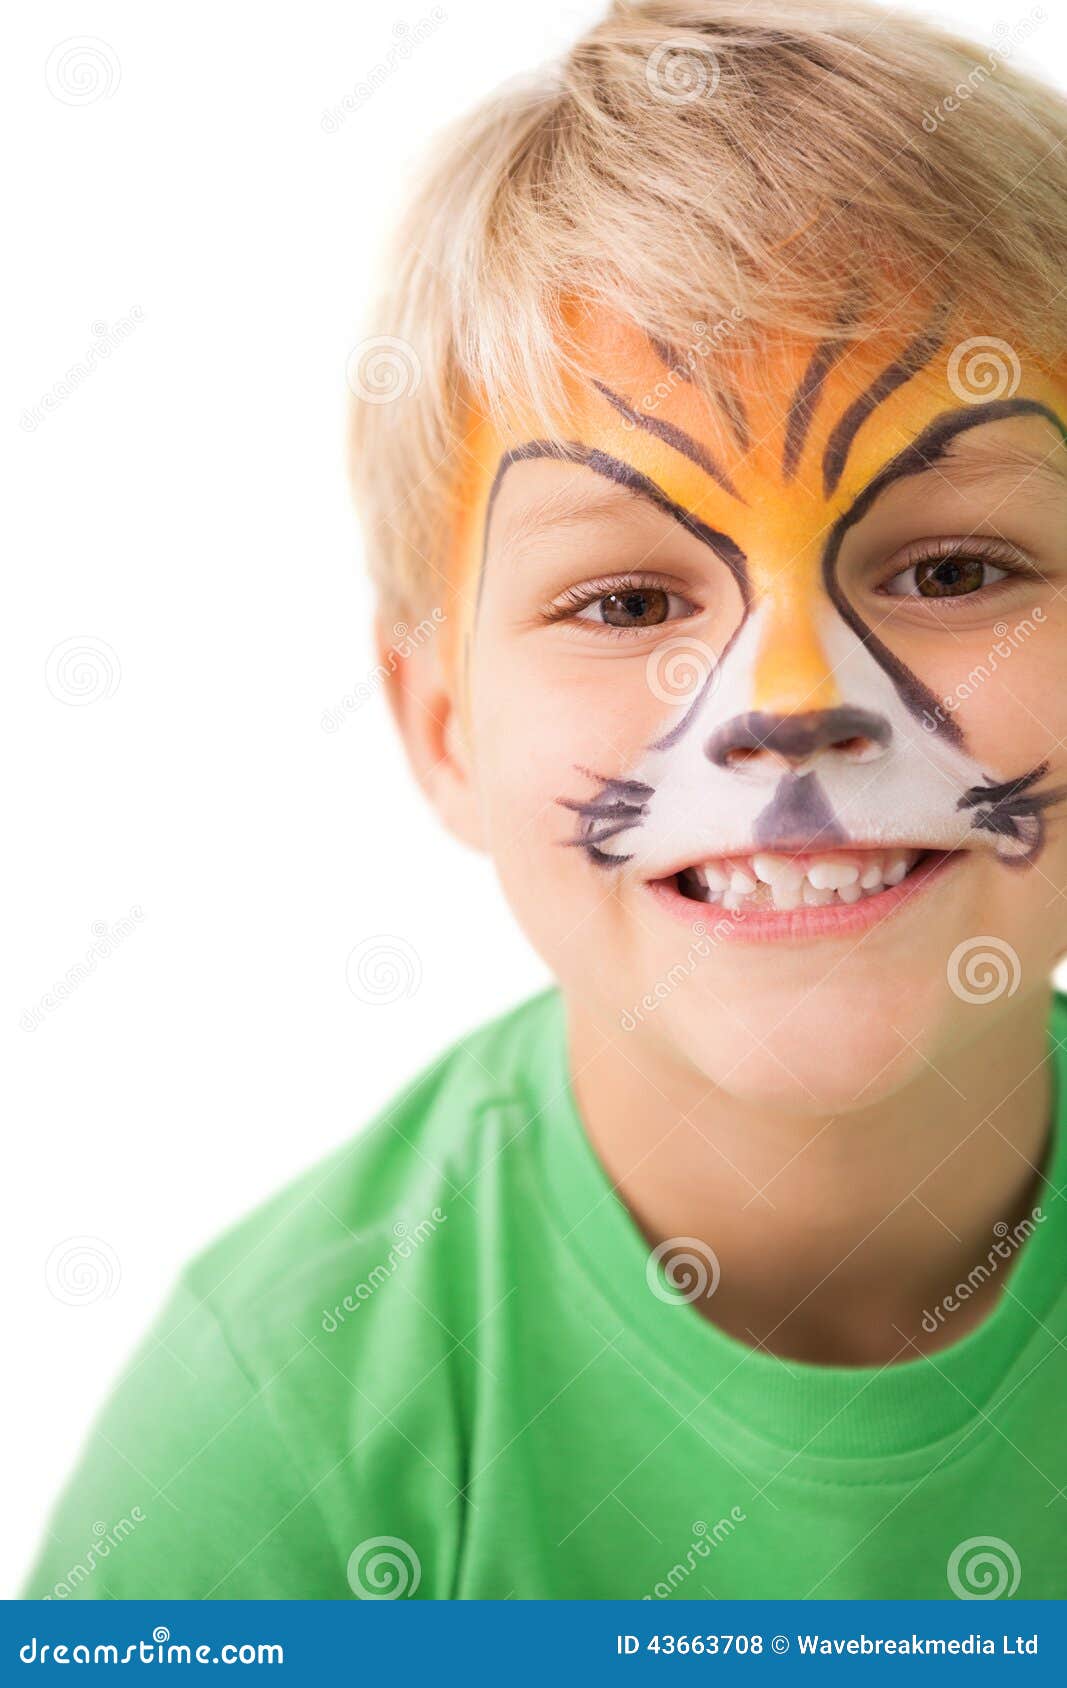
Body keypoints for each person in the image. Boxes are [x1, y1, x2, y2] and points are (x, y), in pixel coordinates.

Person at [25, 0, 1067, 1600]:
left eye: (950, 568)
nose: (793, 699)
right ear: (441, 728)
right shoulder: (282, 1440)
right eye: (630, 602)